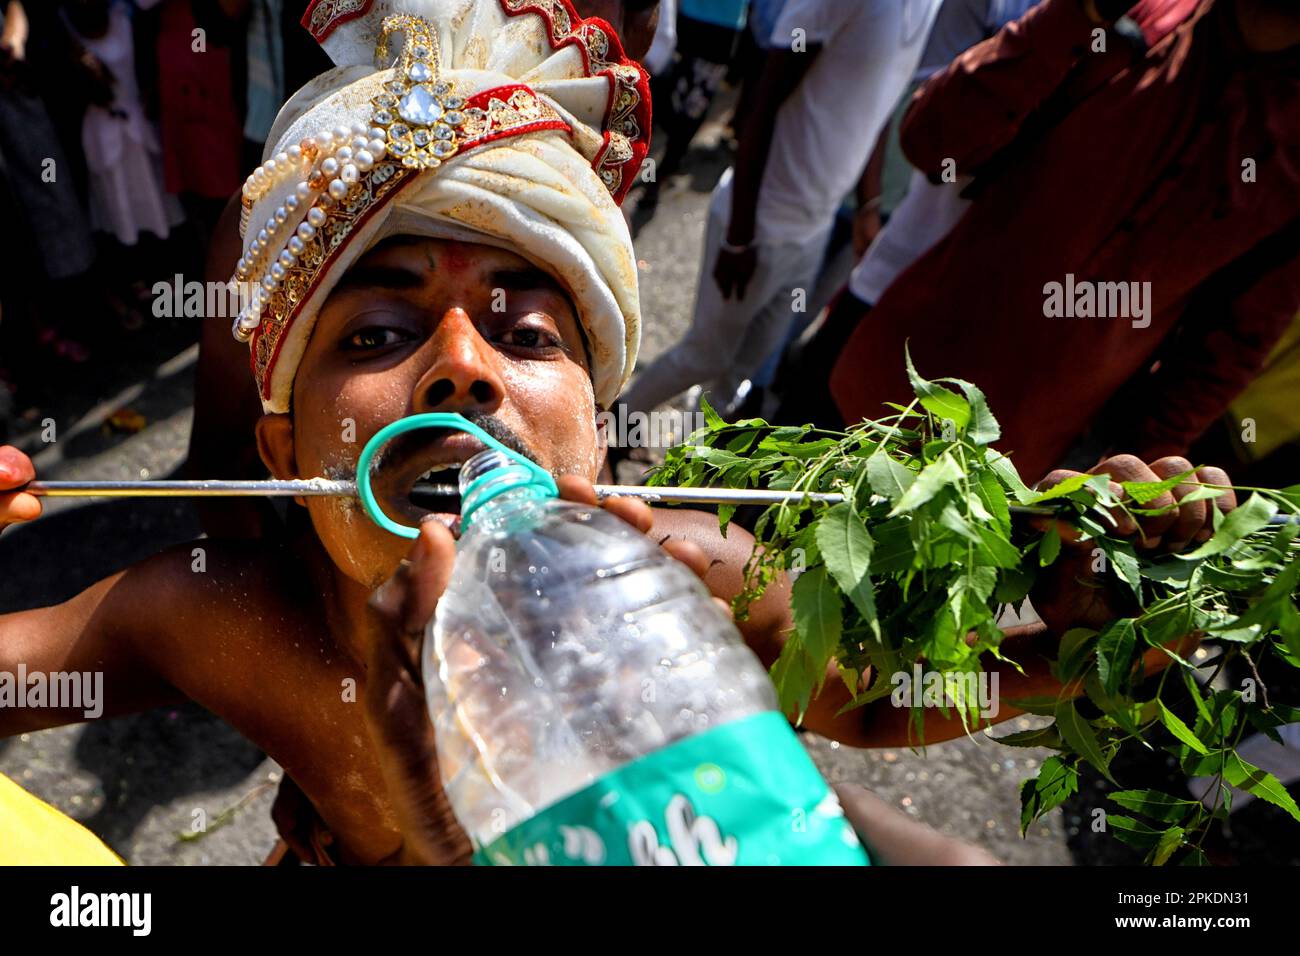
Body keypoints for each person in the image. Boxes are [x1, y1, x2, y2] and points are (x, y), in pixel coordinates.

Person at [0, 0, 1233, 865]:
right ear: (283, 455)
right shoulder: (228, 617)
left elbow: (868, 699)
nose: (464, 368)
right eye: (376, 336)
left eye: (528, 337)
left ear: (595, 431)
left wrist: (1072, 645)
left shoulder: (681, 578)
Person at [829, 0, 1300, 485]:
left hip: (1011, 476)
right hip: (872, 394)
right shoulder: (1125, 21)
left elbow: (1231, 343)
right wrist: (1076, 14)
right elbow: (929, 141)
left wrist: (1138, 479)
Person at [616, 0, 945, 423]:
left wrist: (868, 204)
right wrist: (739, 235)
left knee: (747, 368)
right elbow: (761, 107)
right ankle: (619, 423)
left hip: (815, 227)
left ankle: (693, 467)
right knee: (705, 357)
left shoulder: (928, 6)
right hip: (759, 224)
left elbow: (879, 108)